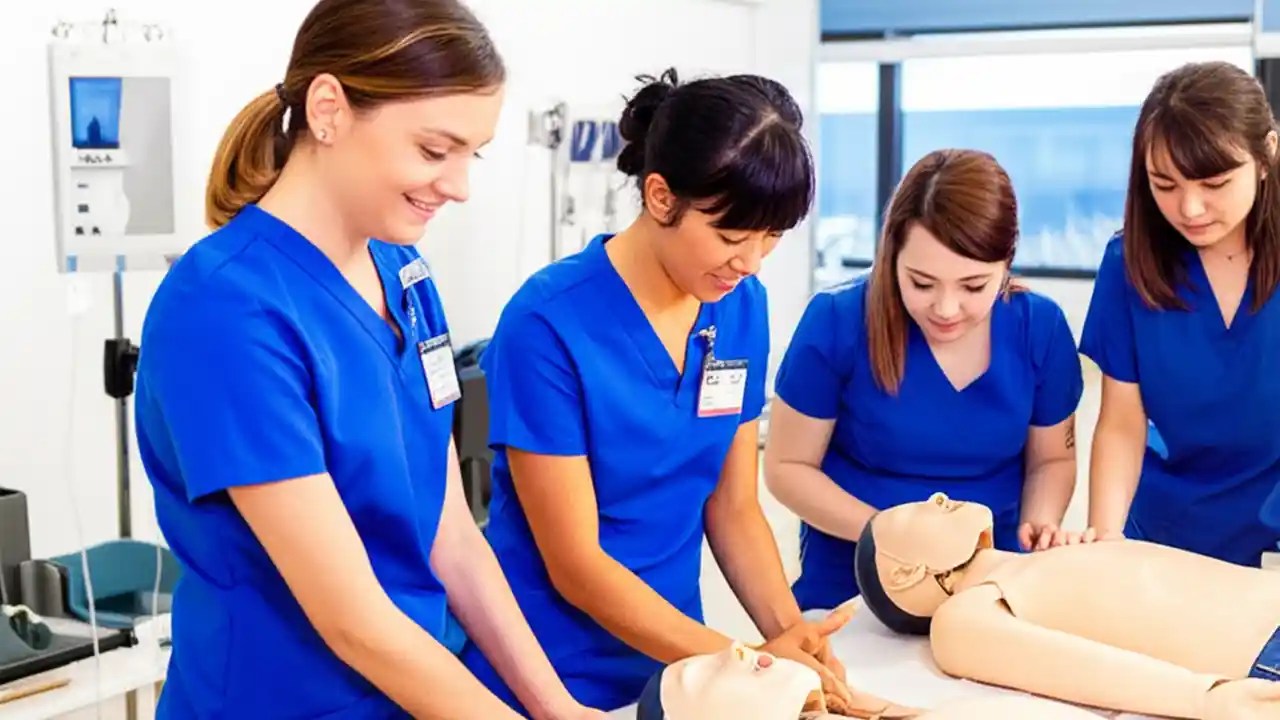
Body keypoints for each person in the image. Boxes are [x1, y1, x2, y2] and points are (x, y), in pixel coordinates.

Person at [132, 2, 604, 718]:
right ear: (329, 109)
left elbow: (452, 535)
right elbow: (352, 618)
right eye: (433, 150)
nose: (459, 186)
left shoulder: (404, 274)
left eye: (471, 155)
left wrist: (558, 709)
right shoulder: (224, 309)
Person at [460, 68, 853, 714]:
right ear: (661, 196)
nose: (752, 263)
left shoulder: (740, 307)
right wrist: (743, 662)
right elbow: (576, 564)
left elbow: (732, 507)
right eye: (731, 237)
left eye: (771, 239)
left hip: (677, 669)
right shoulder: (547, 324)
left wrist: (790, 637)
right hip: (549, 676)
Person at [763, 149, 1085, 613]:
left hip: (989, 582)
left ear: (1006, 265)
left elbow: (1052, 459)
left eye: (974, 286)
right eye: (921, 282)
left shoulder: (1040, 329)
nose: (946, 308)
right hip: (854, 582)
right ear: (892, 257)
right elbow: (787, 467)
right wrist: (890, 536)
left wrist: (1040, 521)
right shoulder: (837, 320)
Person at [1081, 60, 1280, 568]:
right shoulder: (1128, 264)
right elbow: (1123, 421)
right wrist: (1105, 542)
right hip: (1164, 536)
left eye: (1213, 183)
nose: (1189, 208)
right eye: (1164, 185)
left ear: (1267, 155)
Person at [852, 493, 1280, 719]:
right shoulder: (961, 618)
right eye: (918, 512)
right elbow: (1079, 667)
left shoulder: (1042, 558)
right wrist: (1206, 699)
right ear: (904, 574)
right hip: (1263, 652)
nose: (940, 499)